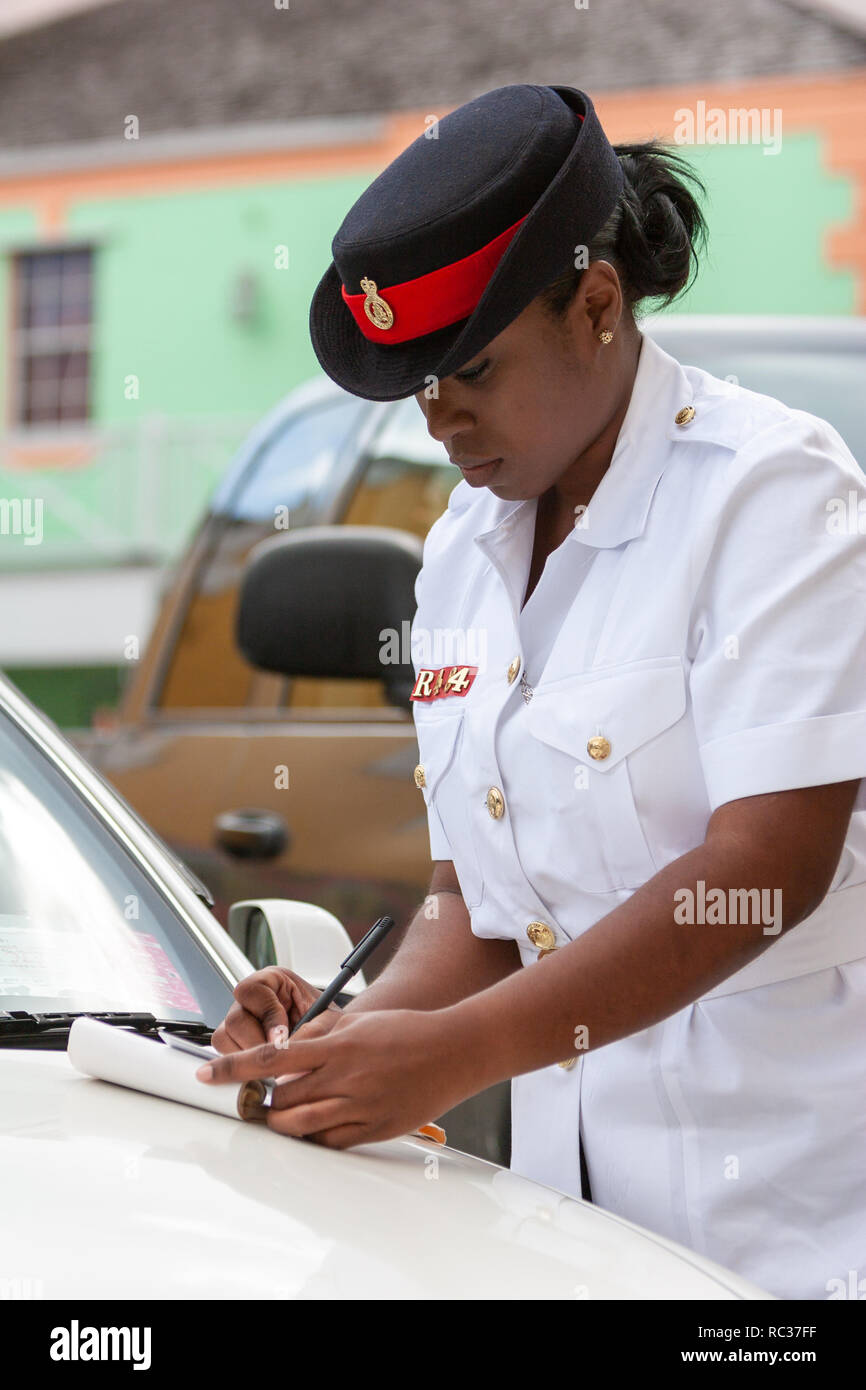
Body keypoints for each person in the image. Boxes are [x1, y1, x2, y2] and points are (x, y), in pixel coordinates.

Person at [197, 84, 866, 1300]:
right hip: (569, 1247)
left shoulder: (771, 495)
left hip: (789, 1241)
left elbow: (769, 862)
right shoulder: (460, 550)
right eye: (416, 382)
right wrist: (352, 1038)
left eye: (472, 368)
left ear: (597, 303)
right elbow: (482, 907)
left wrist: (454, 1054)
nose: (439, 415)